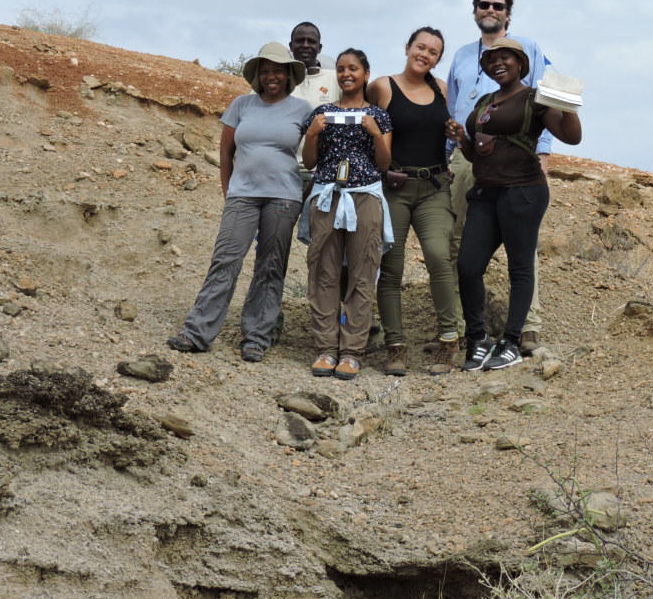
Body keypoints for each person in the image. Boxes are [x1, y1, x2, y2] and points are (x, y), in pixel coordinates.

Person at [167, 42, 311, 363]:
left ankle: (257, 338)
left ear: (289, 75)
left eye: (278, 71)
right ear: (258, 75)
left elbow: (313, 154)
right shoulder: (242, 105)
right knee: (225, 260)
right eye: (266, 71)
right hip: (242, 195)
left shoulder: (303, 109)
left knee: (271, 266)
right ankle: (197, 332)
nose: (272, 76)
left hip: (284, 197)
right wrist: (228, 190)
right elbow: (226, 152)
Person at [445, 38, 581, 371]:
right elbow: (475, 155)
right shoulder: (486, 101)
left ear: (521, 63)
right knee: (468, 266)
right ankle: (478, 339)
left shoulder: (535, 98)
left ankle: (510, 342)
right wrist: (461, 138)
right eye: (491, 59)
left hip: (523, 191)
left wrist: (567, 105)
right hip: (485, 192)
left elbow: (572, 137)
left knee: (519, 267)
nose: (498, 63)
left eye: (506, 57)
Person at [445, 0, 552, 356]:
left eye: (497, 5)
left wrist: (543, 152)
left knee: (522, 248)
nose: (490, 10)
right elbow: (453, 106)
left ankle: (527, 328)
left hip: (517, 158)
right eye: (483, 4)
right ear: (474, 10)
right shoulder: (462, 55)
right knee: (460, 243)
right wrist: (450, 152)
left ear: (508, 13)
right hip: (467, 156)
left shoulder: (527, 48)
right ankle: (461, 328)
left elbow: (545, 100)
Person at [367, 27, 459, 375]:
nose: (425, 54)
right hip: (394, 187)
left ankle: (449, 341)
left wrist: (455, 133)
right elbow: (363, 124)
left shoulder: (442, 90)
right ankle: (395, 346)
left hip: (434, 186)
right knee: (391, 267)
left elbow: (452, 131)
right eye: (421, 47)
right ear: (407, 47)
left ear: (437, 59)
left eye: (433, 52)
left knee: (438, 256)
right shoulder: (382, 86)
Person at [298, 49, 393, 380]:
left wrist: (375, 133)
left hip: (365, 196)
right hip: (327, 196)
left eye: (353, 68)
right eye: (340, 69)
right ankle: (326, 348)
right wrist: (312, 133)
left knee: (363, 272)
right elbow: (310, 162)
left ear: (366, 74)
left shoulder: (378, 116)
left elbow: (384, 164)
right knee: (323, 271)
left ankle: (352, 352)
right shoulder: (322, 113)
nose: (346, 74)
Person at [289, 22, 341, 108]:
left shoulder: (335, 79)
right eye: (300, 41)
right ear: (291, 46)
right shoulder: (281, 80)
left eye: (311, 41)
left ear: (319, 48)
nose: (305, 45)